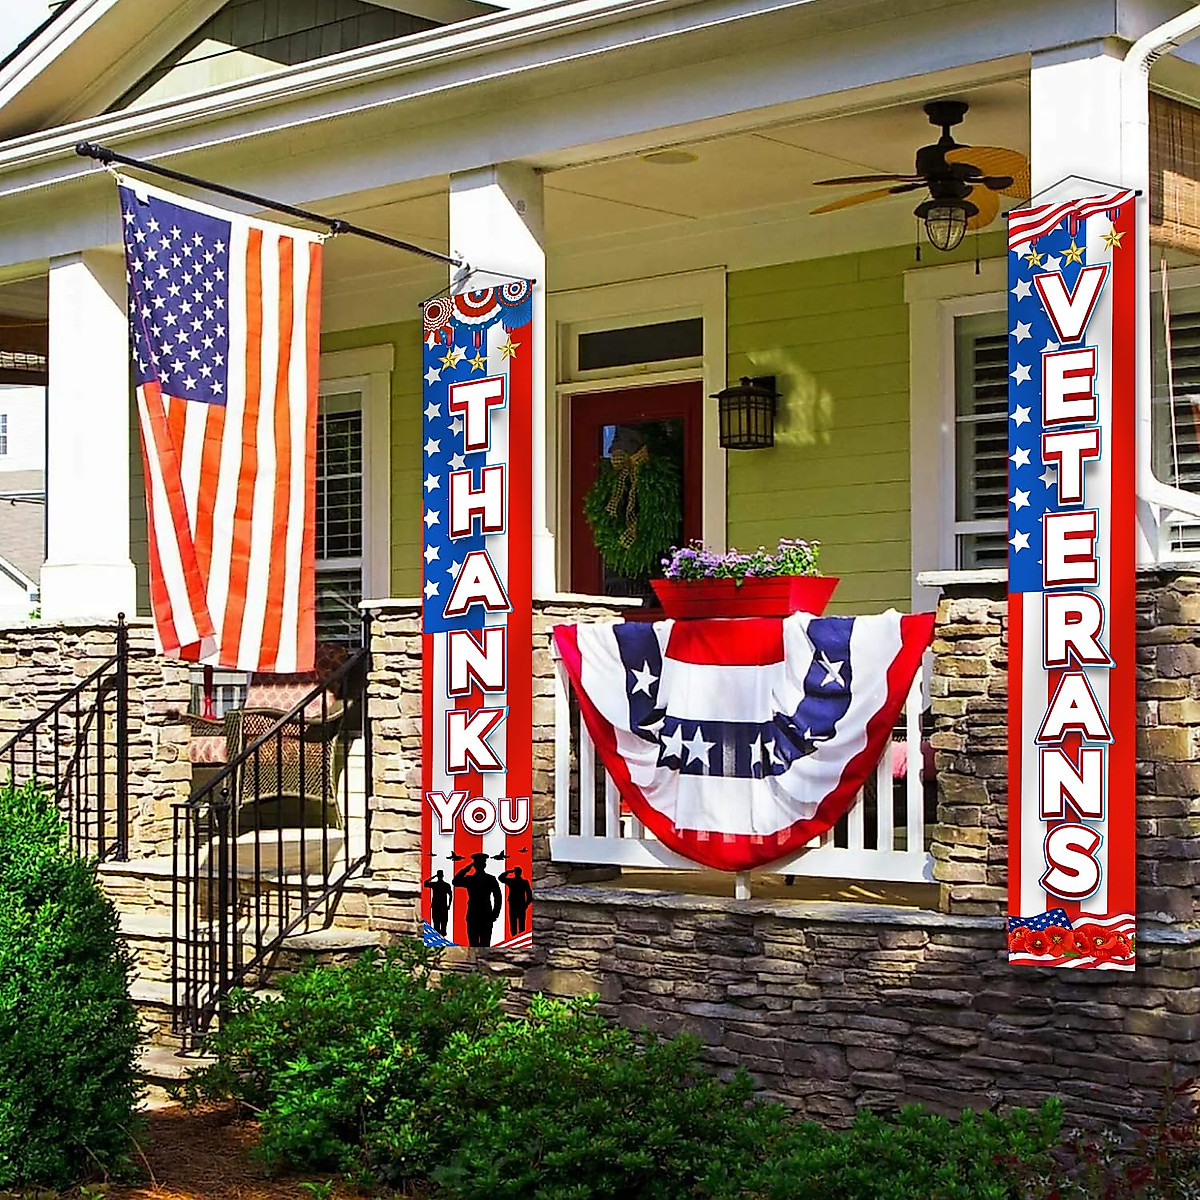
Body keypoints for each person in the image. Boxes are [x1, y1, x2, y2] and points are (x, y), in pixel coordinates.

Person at [453, 853, 503, 947]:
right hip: (479, 914)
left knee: (479, 943)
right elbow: (455, 882)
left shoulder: (476, 879)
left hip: (479, 914)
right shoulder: (488, 879)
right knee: (480, 943)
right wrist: (494, 914)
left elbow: (498, 897)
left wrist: (467, 869)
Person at [499, 865, 533, 936]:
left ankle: (516, 937)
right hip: (518, 905)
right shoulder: (522, 882)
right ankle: (516, 937)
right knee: (518, 923)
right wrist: (526, 904)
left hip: (517, 905)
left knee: (515, 923)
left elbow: (501, 878)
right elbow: (529, 895)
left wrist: (508, 872)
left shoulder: (514, 881)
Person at [423, 869, 453, 937]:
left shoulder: (437, 884)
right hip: (440, 906)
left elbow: (451, 895)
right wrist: (449, 905)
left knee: (441, 923)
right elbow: (425, 884)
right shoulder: (444, 885)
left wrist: (434, 877)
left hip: (439, 906)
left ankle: (440, 938)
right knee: (440, 923)